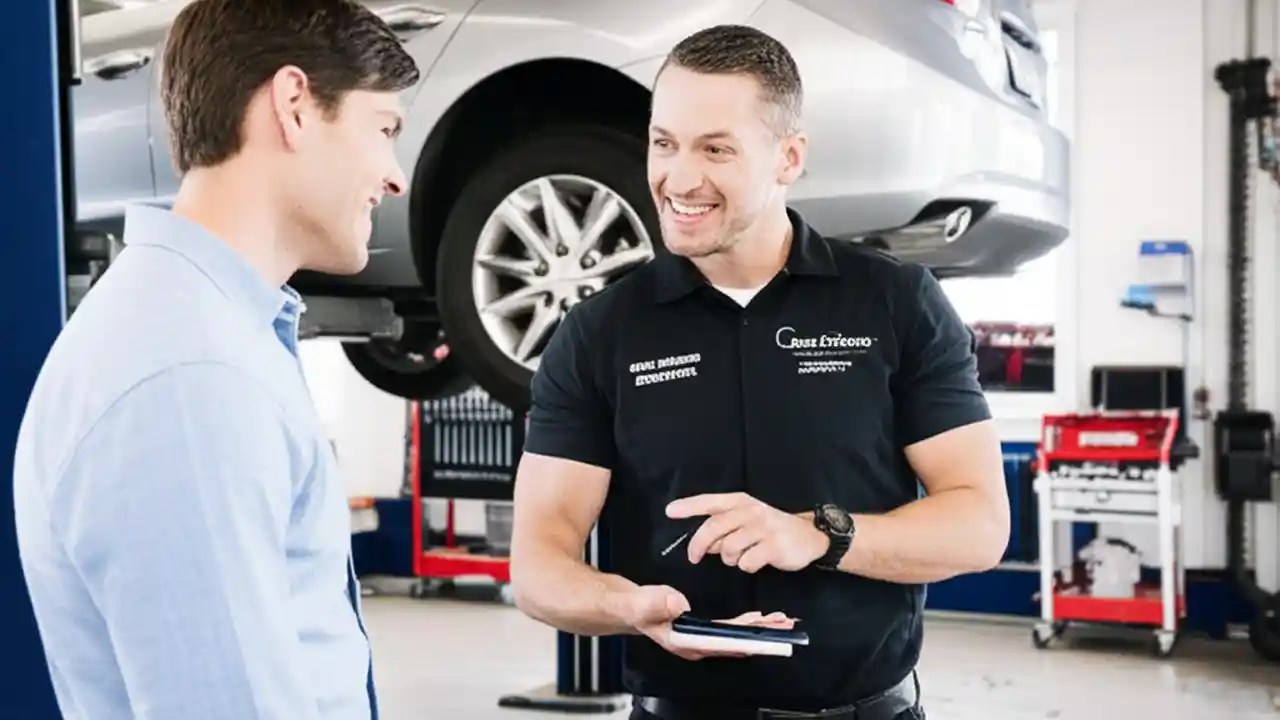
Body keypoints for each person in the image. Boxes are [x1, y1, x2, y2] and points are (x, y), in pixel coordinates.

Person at [509, 24, 1010, 720]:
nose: (680, 178)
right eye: (664, 143)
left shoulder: (895, 304)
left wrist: (823, 534)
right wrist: (630, 608)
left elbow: (980, 522)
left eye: (716, 149)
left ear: (788, 158)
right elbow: (537, 564)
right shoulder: (600, 334)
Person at [12, 1, 417, 717]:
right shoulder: (189, 379)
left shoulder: (207, 334)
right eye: (383, 129)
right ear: (294, 105)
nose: (396, 176)